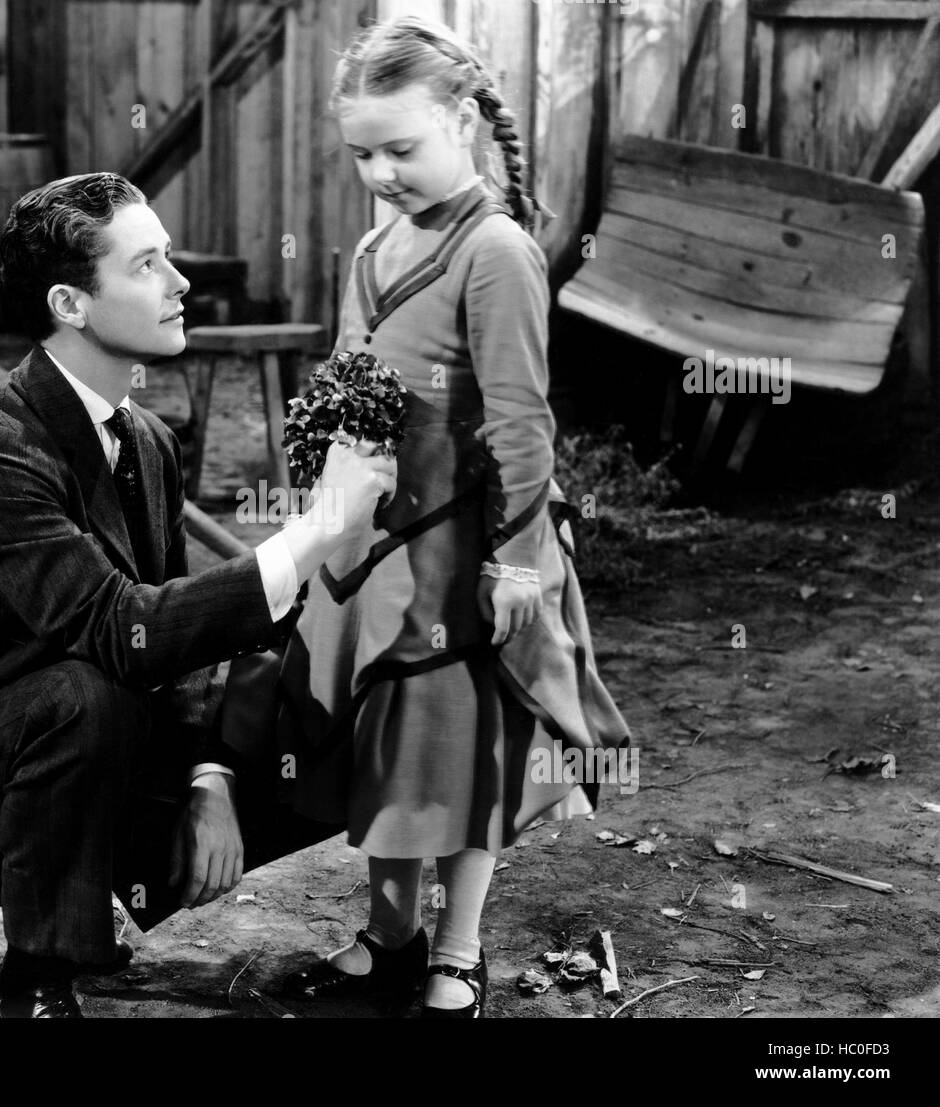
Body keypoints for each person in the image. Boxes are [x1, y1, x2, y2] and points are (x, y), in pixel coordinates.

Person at [0, 172, 396, 1018]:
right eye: (147, 266)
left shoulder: (143, 438)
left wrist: (211, 780)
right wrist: (316, 528)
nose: (179, 284)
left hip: (92, 741)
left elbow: (179, 641)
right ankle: (34, 977)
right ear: (71, 303)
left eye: (169, 257)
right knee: (87, 695)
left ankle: (395, 947)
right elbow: (122, 630)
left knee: (322, 690)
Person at [269, 17, 632, 1017]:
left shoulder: (497, 252)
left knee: (459, 746)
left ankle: (457, 952)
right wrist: (323, 518)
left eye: (402, 148)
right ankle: (389, 936)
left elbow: (520, 420)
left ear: (462, 121)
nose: (381, 171)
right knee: (383, 742)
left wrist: (517, 560)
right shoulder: (374, 249)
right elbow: (352, 390)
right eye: (361, 154)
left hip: (467, 548)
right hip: (378, 547)